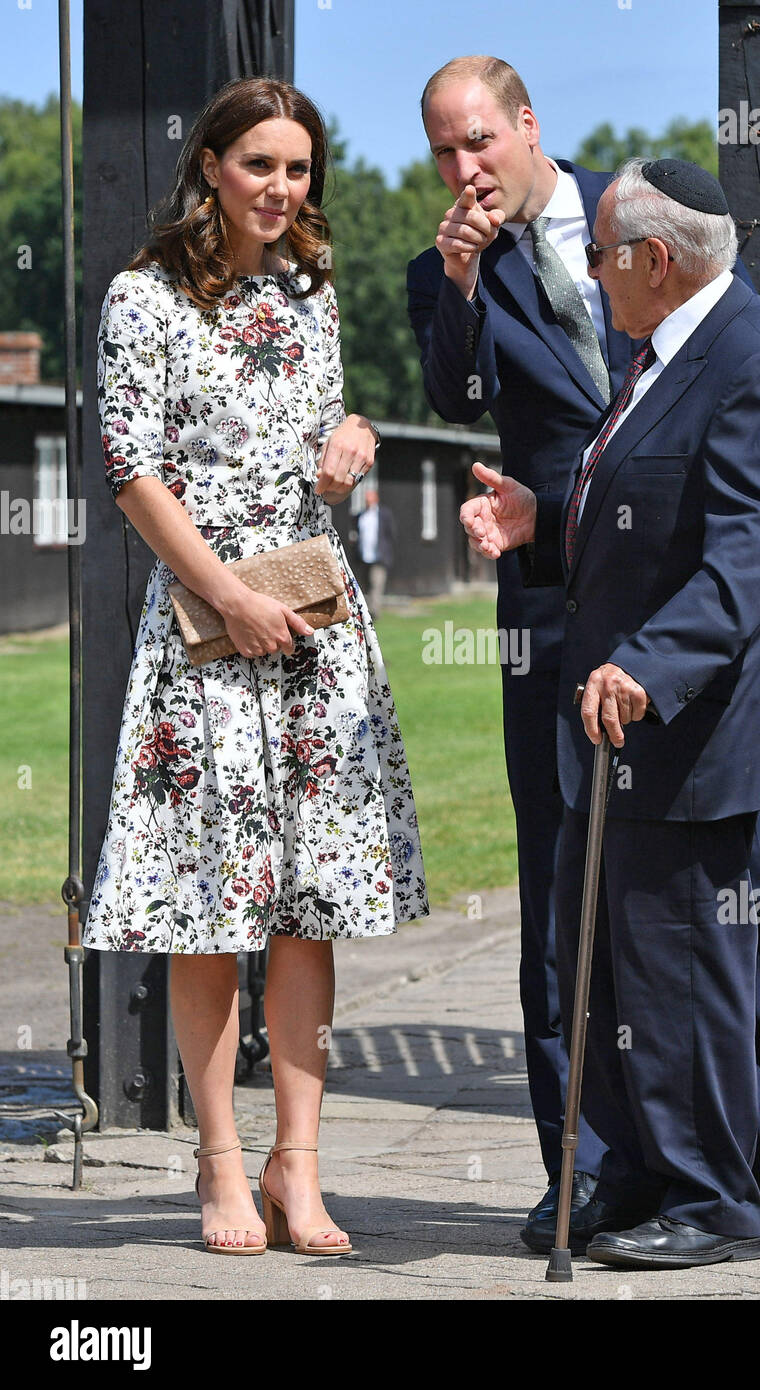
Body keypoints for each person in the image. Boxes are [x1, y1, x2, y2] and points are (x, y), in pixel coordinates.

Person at [407, 55, 760, 1253]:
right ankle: (602, 1164)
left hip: (682, 662)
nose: (464, 169)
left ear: (528, 126)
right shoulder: (468, 276)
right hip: (567, 612)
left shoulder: (704, 303)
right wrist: (540, 512)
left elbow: (743, 535)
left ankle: (743, 1165)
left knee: (700, 924)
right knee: (587, 914)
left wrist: (655, 651)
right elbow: (471, 395)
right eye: (442, 153)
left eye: (479, 139)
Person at [82, 76, 428, 1256]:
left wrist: (353, 442)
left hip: (315, 622)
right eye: (261, 165)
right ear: (211, 167)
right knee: (204, 907)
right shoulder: (144, 296)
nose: (283, 189)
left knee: (304, 908)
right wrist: (224, 595)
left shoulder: (313, 289)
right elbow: (130, 468)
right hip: (204, 632)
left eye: (299, 170)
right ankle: (220, 1163)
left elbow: (324, 447)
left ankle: (299, 1164)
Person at [356, 486, 395, 619]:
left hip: (379, 557)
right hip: (364, 557)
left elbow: (390, 534)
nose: (368, 501)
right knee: (365, 586)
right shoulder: (361, 515)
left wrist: (386, 552)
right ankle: (366, 611)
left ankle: (375, 613)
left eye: (370, 498)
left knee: (376, 584)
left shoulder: (383, 514)